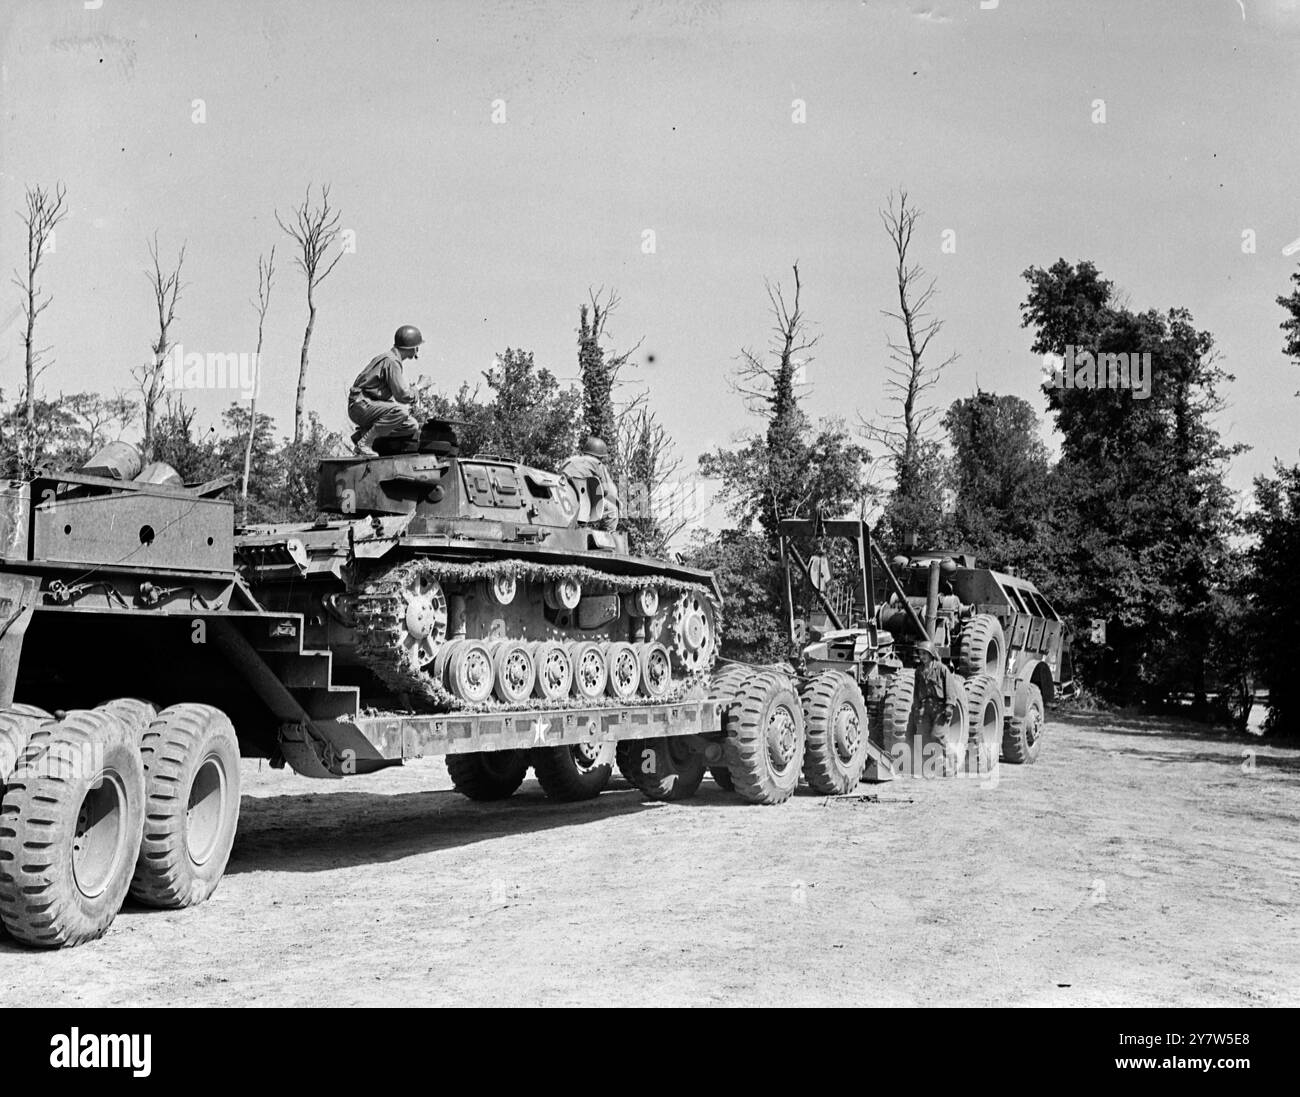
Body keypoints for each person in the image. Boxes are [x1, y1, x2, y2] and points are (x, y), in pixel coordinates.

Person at [347, 325, 431, 455]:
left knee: (411, 425)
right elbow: (402, 395)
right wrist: (419, 386)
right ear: (413, 347)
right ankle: (364, 443)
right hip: (361, 406)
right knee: (401, 412)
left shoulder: (390, 359)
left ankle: (363, 435)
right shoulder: (391, 361)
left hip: (366, 405)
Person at [914, 640, 964, 771]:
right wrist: (917, 706)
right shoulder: (919, 671)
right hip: (925, 707)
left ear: (931, 654)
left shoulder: (942, 669)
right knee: (923, 736)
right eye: (920, 653)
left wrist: (949, 706)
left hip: (939, 708)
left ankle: (952, 761)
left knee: (938, 736)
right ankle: (928, 766)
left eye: (925, 653)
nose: (922, 656)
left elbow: (950, 688)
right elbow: (916, 690)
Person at [562, 435, 619, 531]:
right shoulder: (597, 464)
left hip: (564, 501)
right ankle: (604, 540)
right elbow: (606, 491)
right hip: (584, 504)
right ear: (600, 456)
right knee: (612, 511)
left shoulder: (569, 461)